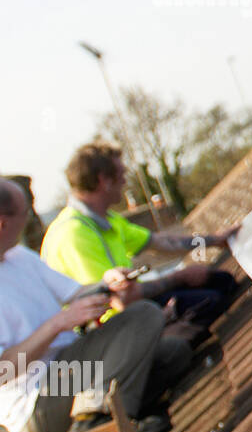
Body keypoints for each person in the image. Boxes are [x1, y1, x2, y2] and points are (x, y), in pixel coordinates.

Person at [0, 179, 188, 432]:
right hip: (39, 399)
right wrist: (57, 324)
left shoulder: (18, 256)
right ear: (2, 224)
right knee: (144, 315)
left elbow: (76, 293)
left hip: (72, 369)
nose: (29, 219)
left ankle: (104, 413)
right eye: (25, 214)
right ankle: (95, 425)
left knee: (173, 354)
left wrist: (107, 283)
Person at [40, 142, 240, 345]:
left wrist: (214, 240)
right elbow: (118, 300)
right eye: (121, 174)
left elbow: (161, 243)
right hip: (112, 331)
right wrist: (181, 277)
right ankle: (160, 346)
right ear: (104, 180)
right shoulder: (74, 234)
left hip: (133, 305)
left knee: (223, 282)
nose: (125, 181)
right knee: (209, 302)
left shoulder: (103, 219)